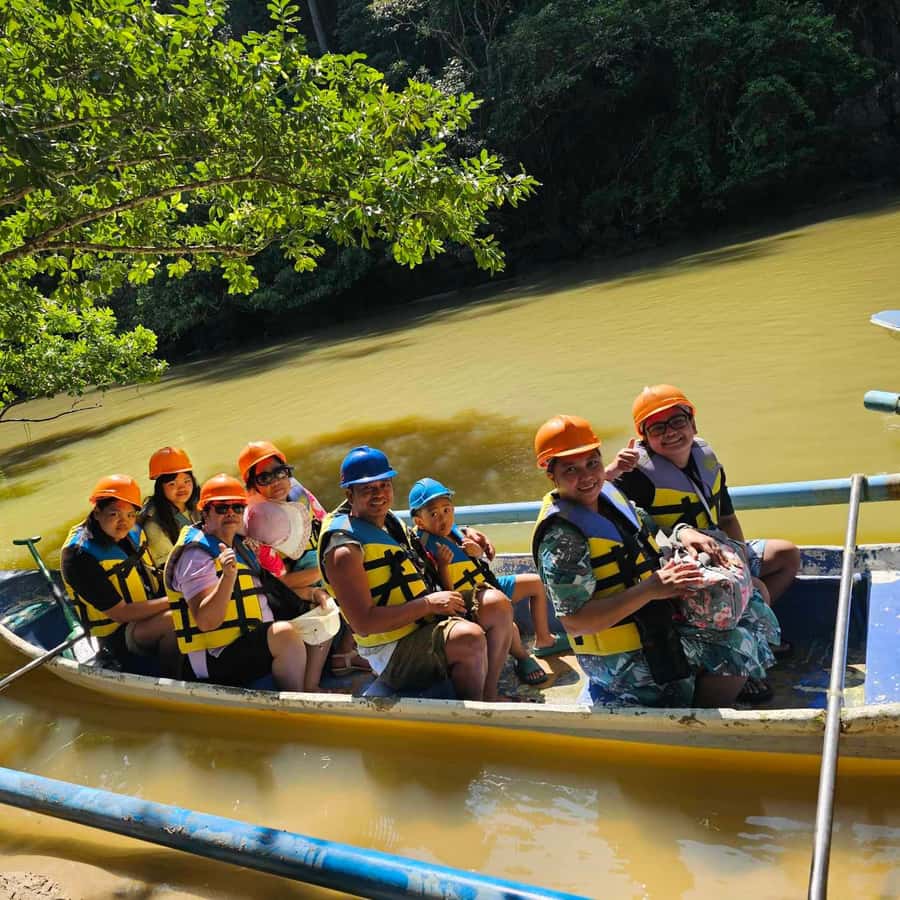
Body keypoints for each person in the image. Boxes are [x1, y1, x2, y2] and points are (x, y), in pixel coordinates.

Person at [532, 415, 774, 708]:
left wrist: (685, 533)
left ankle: (709, 683)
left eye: (592, 463)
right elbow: (575, 622)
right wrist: (652, 589)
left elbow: (648, 526)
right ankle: (696, 721)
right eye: (571, 469)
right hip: (618, 655)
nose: (586, 476)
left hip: (654, 619)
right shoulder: (563, 538)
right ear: (551, 475)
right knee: (737, 649)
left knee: (753, 598)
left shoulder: (609, 496)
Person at [610, 384, 796, 699]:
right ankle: (743, 658)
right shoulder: (634, 475)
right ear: (644, 438)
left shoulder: (705, 459)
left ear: (693, 424)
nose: (670, 433)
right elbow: (600, 510)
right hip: (676, 565)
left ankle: (755, 640)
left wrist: (742, 566)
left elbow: (726, 519)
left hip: (720, 551)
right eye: (657, 428)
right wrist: (610, 473)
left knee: (786, 556)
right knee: (755, 593)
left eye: (677, 422)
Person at [318, 446, 515, 701]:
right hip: (391, 651)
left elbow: (426, 533)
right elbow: (363, 624)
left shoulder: (388, 522)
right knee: (469, 638)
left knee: (497, 603)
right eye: (368, 489)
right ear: (349, 493)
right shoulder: (344, 551)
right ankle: (472, 717)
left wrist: (463, 532)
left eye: (384, 485)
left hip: (424, 622)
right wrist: (429, 604)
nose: (379, 494)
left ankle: (488, 696)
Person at [409, 477, 568, 685]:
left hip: (488, 585)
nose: (443, 519)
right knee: (508, 625)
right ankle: (522, 657)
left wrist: (479, 552)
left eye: (447, 510)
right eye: (434, 514)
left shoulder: (454, 531)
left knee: (536, 583)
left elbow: (483, 559)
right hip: (469, 601)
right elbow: (445, 592)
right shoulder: (423, 545)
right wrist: (443, 565)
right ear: (419, 521)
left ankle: (544, 640)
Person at [163, 473, 313, 691]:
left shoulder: (240, 545)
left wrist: (313, 594)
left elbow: (268, 590)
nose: (231, 513)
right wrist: (228, 577)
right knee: (284, 635)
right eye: (222, 508)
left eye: (238, 507)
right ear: (205, 512)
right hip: (216, 657)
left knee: (314, 620)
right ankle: (297, 704)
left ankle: (312, 688)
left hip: (247, 639)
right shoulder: (195, 556)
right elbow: (206, 622)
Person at [239, 440, 367, 679]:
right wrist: (326, 570)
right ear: (253, 485)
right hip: (289, 591)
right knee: (330, 598)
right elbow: (278, 583)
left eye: (280, 473)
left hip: (319, 567)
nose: (276, 481)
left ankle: (348, 650)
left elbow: (327, 522)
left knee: (367, 567)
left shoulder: (298, 494)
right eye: (265, 478)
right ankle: (312, 683)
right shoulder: (259, 521)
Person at [61, 474, 175, 671]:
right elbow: (120, 613)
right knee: (177, 619)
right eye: (115, 514)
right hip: (118, 635)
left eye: (130, 515)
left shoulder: (131, 531)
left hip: (148, 612)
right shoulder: (78, 556)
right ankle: (174, 679)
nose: (124, 522)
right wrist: (175, 600)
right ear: (97, 511)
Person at [138, 446, 200, 566]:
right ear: (160, 488)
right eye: (172, 483)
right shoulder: (154, 523)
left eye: (187, 481)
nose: (182, 488)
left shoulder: (198, 502)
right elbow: (168, 567)